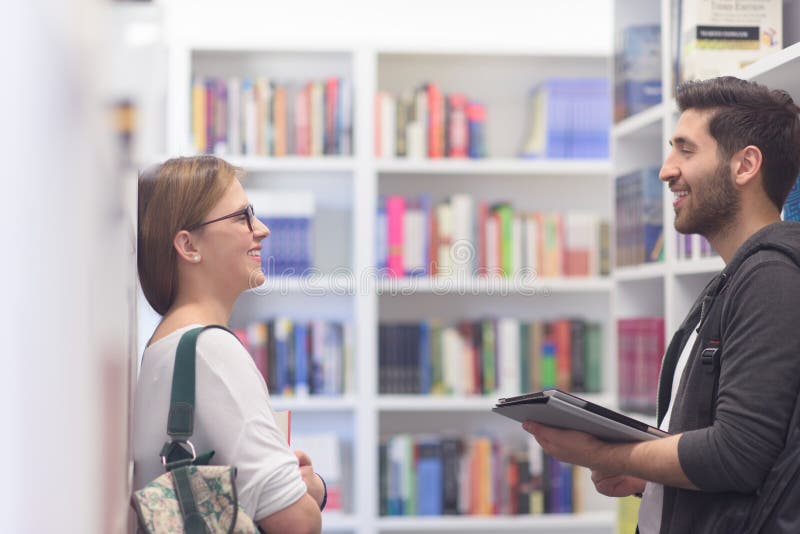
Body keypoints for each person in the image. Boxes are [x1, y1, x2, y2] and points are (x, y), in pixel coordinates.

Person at [524, 76, 800, 533]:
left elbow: (736, 456)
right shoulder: (736, 279)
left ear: (745, 165)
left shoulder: (772, 277)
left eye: (686, 150)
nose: (665, 170)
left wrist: (598, 453)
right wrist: (647, 475)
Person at [133, 155, 324, 534]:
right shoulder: (212, 352)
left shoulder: (164, 345)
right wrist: (314, 489)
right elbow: (298, 524)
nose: (263, 230)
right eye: (242, 217)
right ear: (188, 246)